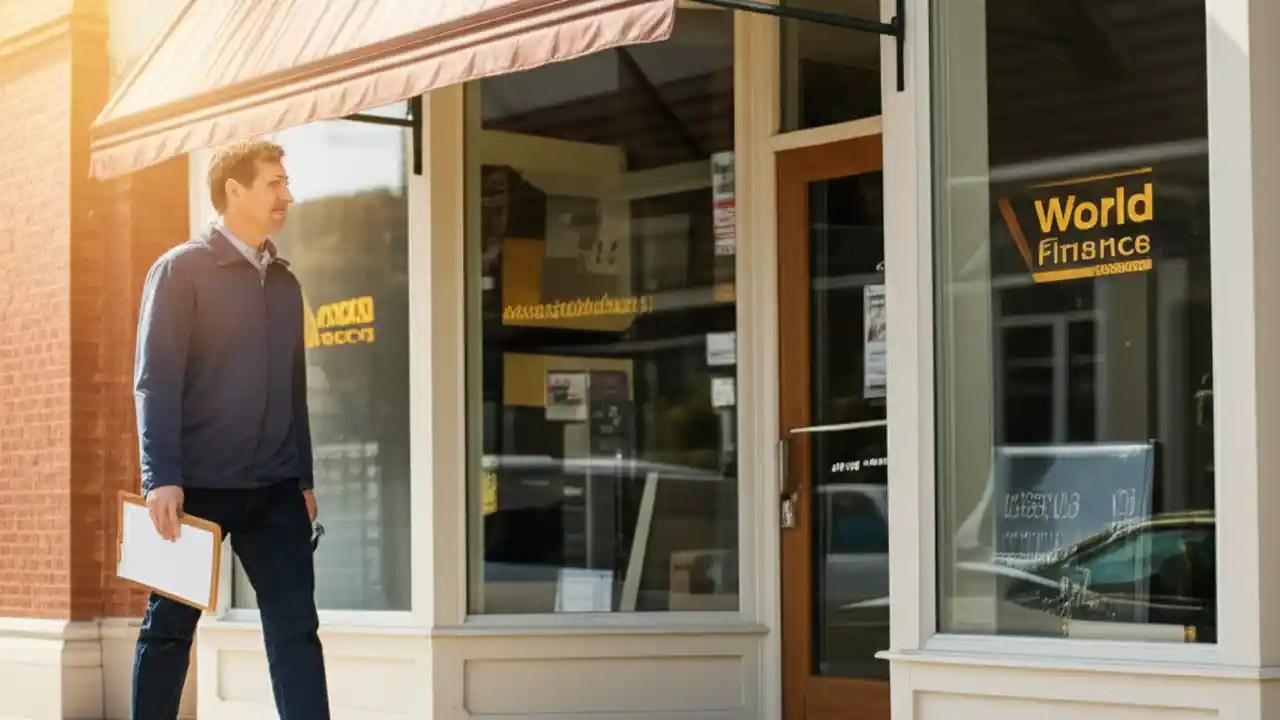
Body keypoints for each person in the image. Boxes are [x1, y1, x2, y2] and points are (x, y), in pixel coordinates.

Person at [130, 140, 330, 719]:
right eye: (274, 183)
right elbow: (155, 381)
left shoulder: (285, 283)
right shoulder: (181, 270)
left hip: (276, 490)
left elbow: (294, 392)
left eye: (286, 182)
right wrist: (161, 477)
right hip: (196, 489)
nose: (286, 195)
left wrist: (304, 477)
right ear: (234, 190)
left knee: (296, 629)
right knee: (168, 629)